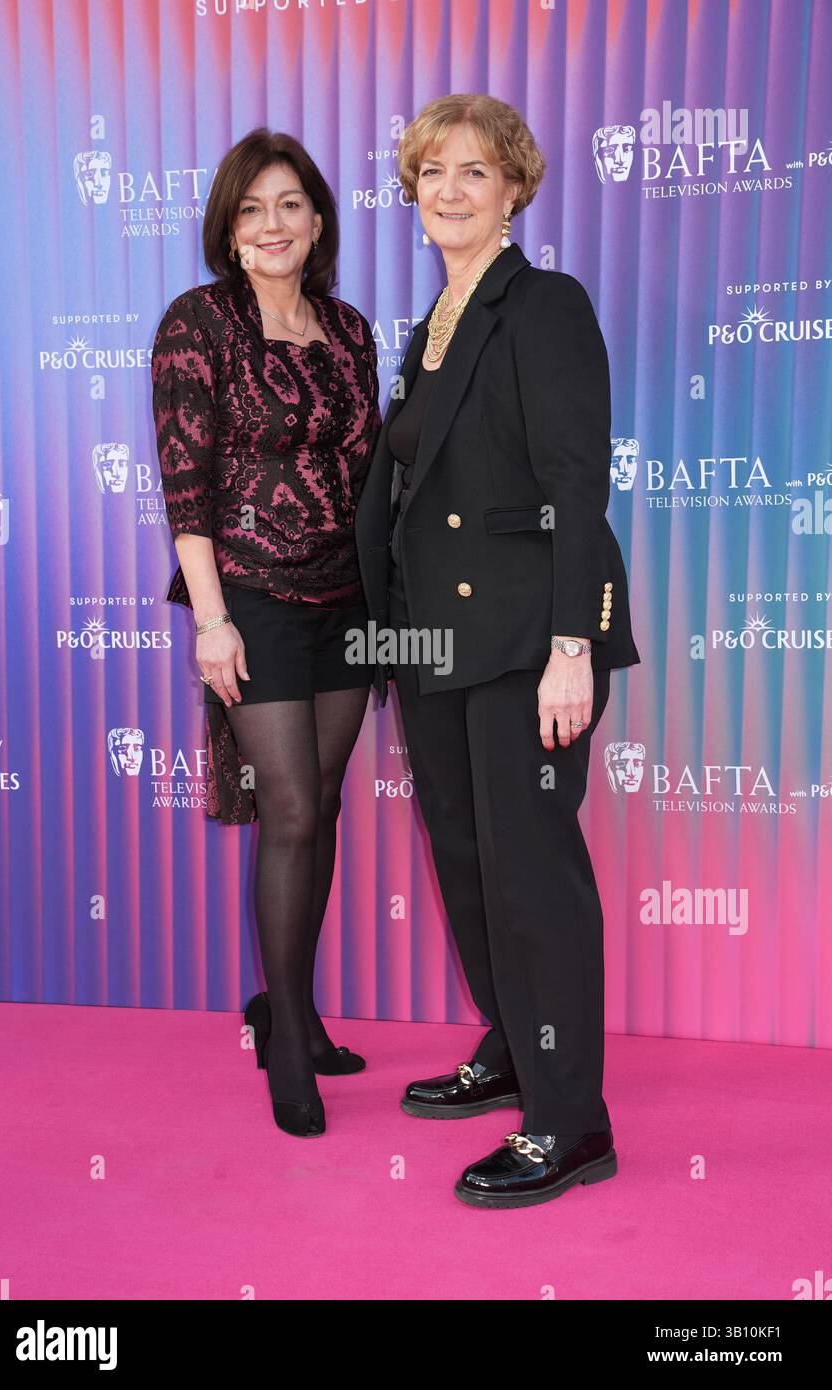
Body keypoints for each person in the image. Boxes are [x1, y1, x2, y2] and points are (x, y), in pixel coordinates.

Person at [354, 94, 641, 1208]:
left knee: (530, 880)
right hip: (432, 641)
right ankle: (516, 1048)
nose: (451, 190)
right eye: (433, 172)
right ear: (412, 192)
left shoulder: (543, 305)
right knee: (468, 865)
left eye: (475, 172)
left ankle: (569, 1122)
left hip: (526, 636)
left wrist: (574, 643)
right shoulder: (434, 324)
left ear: (513, 188)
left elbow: (577, 483)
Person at [151, 129, 380, 1139]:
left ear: (318, 219)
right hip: (251, 597)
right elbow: (185, 485)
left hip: (349, 600)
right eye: (251, 209)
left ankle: (294, 1005)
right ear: (226, 229)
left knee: (321, 803)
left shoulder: (349, 327)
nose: (272, 224)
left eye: (289, 204)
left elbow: (372, 469)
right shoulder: (197, 324)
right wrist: (209, 620)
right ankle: (286, 1036)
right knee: (289, 811)